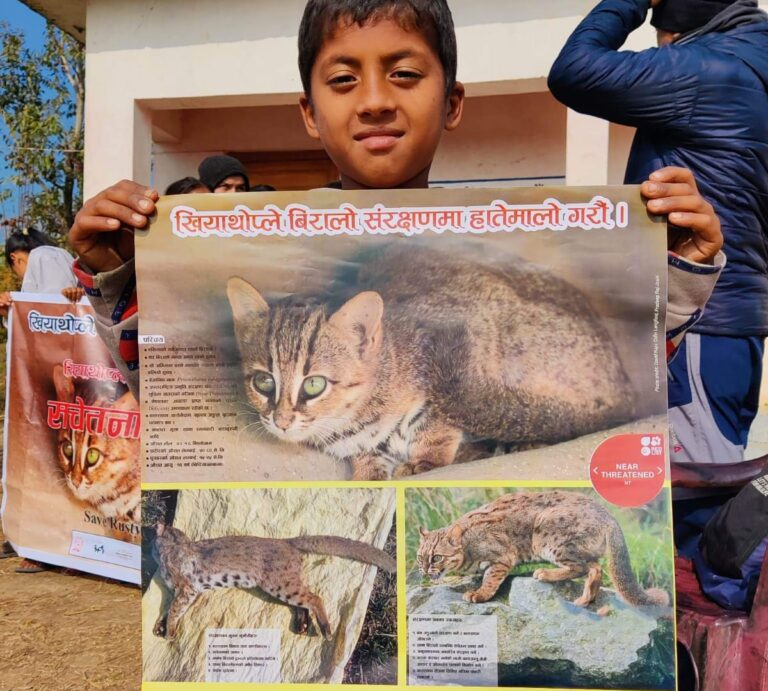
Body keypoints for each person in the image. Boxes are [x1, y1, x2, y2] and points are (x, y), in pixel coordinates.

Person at [69, 0, 724, 404]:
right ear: (309, 112)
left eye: (405, 74)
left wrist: (676, 275)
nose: (376, 99)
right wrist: (120, 275)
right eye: (344, 79)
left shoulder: (497, 248)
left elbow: (622, 373)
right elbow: (169, 393)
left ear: (452, 102)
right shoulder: (258, 249)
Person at [548, 0, 768, 469]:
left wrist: (627, 3)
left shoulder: (707, 66)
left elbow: (573, 70)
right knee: (714, 476)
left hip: (694, 317)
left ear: (675, 32)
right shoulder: (756, 63)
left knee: (688, 493)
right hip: (735, 319)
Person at [1, 228, 80, 573]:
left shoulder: (45, 259)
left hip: (49, 388)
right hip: (52, 386)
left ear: (18, 258)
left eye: (17, 265)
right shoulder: (63, 259)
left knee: (48, 462)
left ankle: (48, 545)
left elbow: (45, 325)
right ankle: (38, 540)